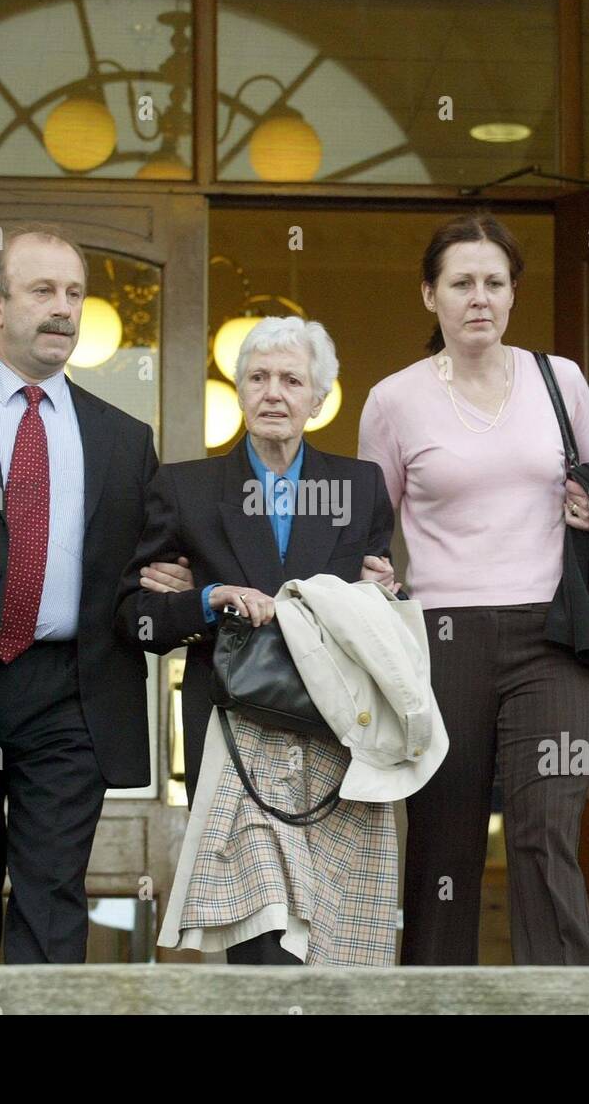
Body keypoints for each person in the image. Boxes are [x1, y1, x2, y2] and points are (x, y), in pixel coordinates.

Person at [0, 226, 191, 964]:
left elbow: (144, 568)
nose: (63, 310)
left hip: (70, 692)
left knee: (51, 895)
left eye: (74, 293)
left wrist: (180, 580)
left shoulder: (125, 438)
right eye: (42, 291)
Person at [358, 212, 589, 967]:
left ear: (512, 294)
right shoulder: (394, 399)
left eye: (495, 282)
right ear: (430, 295)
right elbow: (371, 528)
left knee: (547, 828)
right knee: (443, 840)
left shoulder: (560, 380)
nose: (479, 298)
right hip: (442, 639)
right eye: (461, 282)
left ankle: (569, 1002)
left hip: (552, 634)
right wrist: (376, 570)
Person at [116, 316, 397, 964]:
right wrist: (207, 599)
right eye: (258, 377)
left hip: (333, 731)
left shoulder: (359, 489)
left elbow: (373, 603)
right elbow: (137, 617)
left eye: (291, 379)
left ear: (319, 399)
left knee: (328, 939)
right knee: (260, 935)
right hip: (232, 732)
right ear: (239, 390)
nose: (274, 392)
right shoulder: (184, 489)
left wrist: (384, 593)